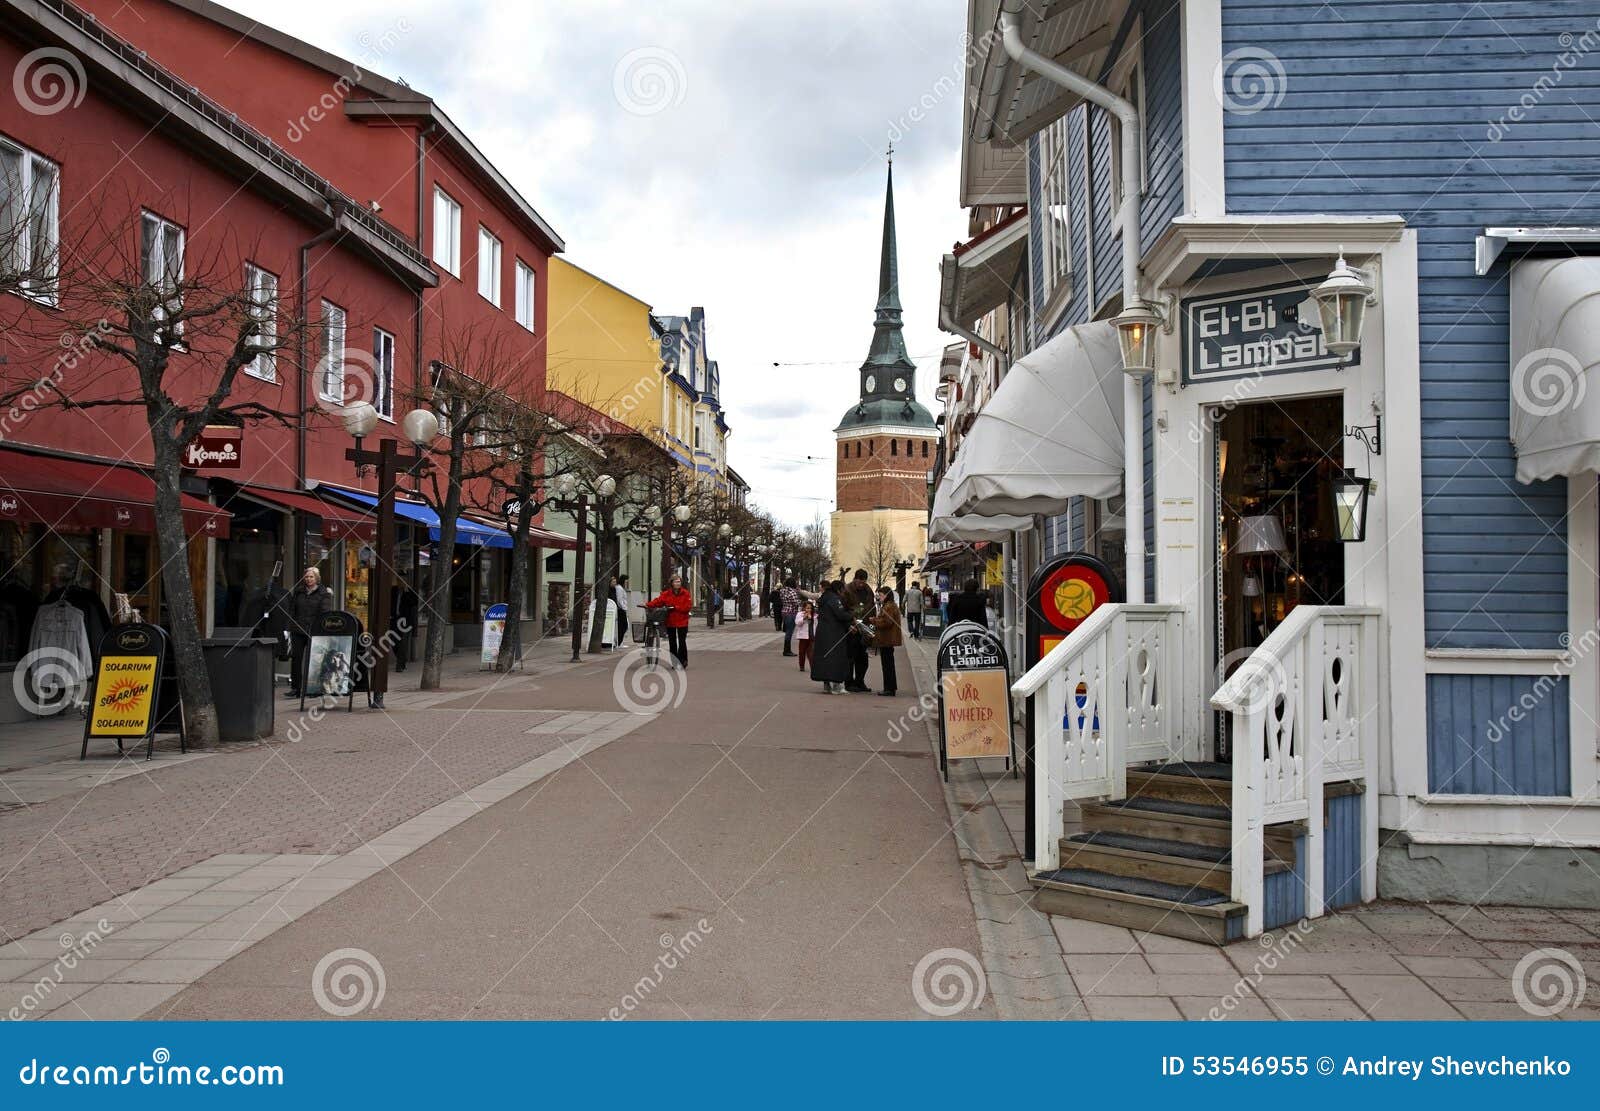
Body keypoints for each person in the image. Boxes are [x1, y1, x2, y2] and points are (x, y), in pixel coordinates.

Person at [286, 567, 333, 697]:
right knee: (296, 659)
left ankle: (314, 688)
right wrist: (289, 626)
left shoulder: (324, 593)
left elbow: (325, 613)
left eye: (311, 577)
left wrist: (321, 629)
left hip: (315, 630)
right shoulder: (299, 592)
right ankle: (296, 688)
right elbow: (292, 610)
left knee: (315, 660)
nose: (308, 579)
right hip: (298, 629)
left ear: (317, 578)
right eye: (306, 577)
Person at [809, 580, 853, 694]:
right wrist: (852, 615)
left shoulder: (823, 598)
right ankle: (837, 686)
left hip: (822, 631)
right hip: (834, 632)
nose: (843, 592)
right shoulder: (834, 599)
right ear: (839, 589)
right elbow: (841, 614)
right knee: (835, 657)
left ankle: (826, 685)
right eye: (842, 590)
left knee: (824, 657)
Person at [645, 575, 693, 668]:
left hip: (682, 620)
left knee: (682, 641)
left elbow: (687, 607)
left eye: (679, 582)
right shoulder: (666, 594)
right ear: (671, 583)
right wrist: (648, 604)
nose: (678, 584)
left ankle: (683, 660)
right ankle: (674, 662)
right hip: (671, 621)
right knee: (672, 642)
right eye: (676, 582)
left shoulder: (685, 593)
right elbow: (658, 601)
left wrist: (675, 607)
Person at [844, 569, 875, 693]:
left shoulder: (868, 591)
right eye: (860, 582)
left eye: (864, 582)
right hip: (853, 628)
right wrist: (850, 623)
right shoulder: (847, 590)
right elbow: (845, 609)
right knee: (850, 657)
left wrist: (871, 625)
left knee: (863, 658)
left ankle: (860, 681)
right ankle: (849, 682)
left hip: (865, 628)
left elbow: (872, 607)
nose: (861, 584)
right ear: (855, 579)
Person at [871, 585, 902, 697]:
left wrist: (875, 621)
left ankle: (889, 688)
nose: (880, 597)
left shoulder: (889, 606)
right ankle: (890, 687)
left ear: (887, 595)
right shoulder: (890, 605)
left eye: (881, 595)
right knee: (888, 664)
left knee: (887, 665)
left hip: (887, 639)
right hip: (888, 639)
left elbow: (887, 622)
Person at [778, 577, 802, 656]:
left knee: (787, 631)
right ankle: (787, 650)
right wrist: (800, 601)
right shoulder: (793, 592)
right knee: (789, 632)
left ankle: (786, 650)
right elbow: (796, 603)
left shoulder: (782, 591)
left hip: (784, 611)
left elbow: (782, 599)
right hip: (791, 613)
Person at [794, 600, 817, 672]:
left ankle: (812, 667)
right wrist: (804, 618)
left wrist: (811, 618)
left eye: (810, 608)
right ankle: (801, 666)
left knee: (811, 653)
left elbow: (816, 625)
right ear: (804, 608)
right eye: (807, 608)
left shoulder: (815, 615)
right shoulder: (800, 614)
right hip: (803, 637)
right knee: (802, 652)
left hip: (812, 636)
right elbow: (798, 623)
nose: (808, 610)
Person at [612, 574, 633, 648]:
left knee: (623, 626)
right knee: (623, 626)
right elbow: (619, 600)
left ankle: (619, 642)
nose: (627, 583)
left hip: (622, 609)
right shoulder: (619, 589)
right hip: (620, 610)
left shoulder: (621, 588)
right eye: (626, 581)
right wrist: (624, 608)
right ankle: (619, 642)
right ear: (623, 581)